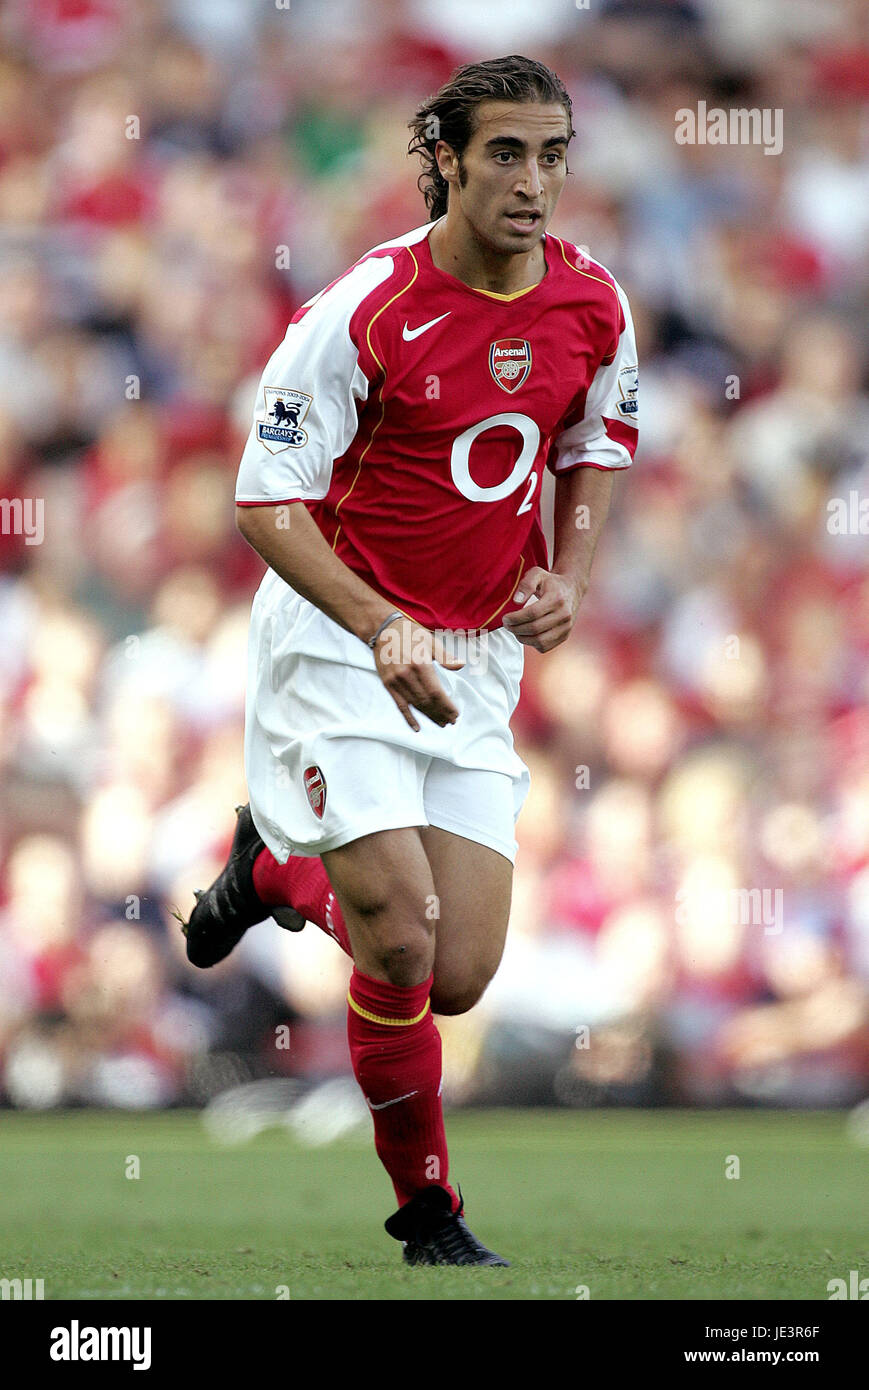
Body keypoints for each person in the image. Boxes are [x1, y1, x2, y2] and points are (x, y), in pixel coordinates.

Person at [181, 54, 639, 1266]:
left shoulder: (594, 302)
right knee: (397, 937)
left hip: (478, 656)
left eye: (551, 154)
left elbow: (599, 441)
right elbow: (265, 501)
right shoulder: (362, 310)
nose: (533, 181)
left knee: (459, 975)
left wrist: (569, 577)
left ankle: (276, 872)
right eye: (504, 152)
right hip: (342, 643)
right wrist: (377, 621)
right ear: (442, 160)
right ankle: (425, 1212)